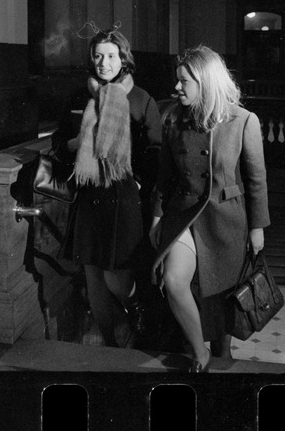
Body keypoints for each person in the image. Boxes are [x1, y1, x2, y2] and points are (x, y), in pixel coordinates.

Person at [150, 45, 270, 372]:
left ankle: (221, 357)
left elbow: (257, 180)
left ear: (206, 82)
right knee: (174, 280)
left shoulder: (243, 121)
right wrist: (157, 217)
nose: (176, 88)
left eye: (184, 81)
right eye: (177, 80)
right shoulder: (173, 118)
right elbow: (164, 177)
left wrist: (257, 229)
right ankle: (199, 351)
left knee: (221, 302)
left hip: (227, 222)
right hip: (185, 215)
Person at [52, 27, 161, 347]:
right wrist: (76, 143)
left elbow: (156, 152)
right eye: (97, 56)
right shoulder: (79, 96)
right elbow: (60, 142)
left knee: (116, 276)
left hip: (124, 197)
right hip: (89, 195)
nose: (103, 63)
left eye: (111, 56)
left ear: (123, 59)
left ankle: (136, 309)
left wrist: (139, 182)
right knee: (93, 277)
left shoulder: (141, 99)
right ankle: (111, 343)